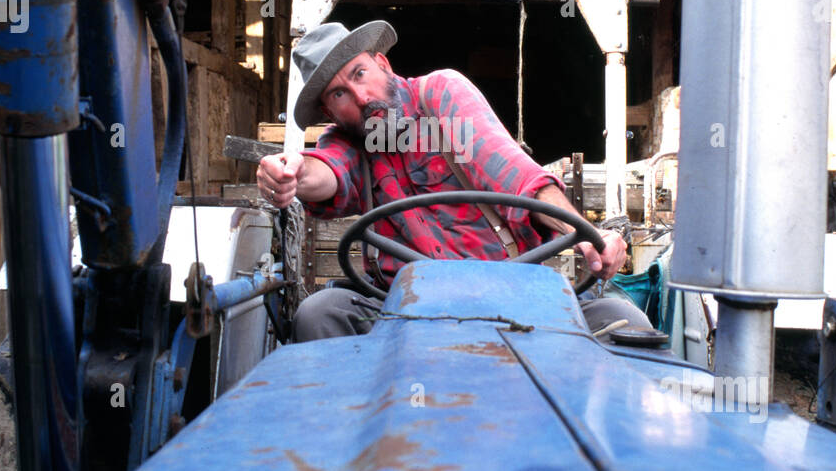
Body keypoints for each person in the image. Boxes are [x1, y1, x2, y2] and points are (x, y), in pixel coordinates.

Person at [256, 19, 654, 343]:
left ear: (383, 64)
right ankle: (356, 436)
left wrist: (583, 234)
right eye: (339, 94)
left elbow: (510, 169)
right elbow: (327, 173)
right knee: (319, 313)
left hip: (511, 298)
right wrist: (291, 173)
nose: (361, 98)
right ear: (329, 110)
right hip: (402, 310)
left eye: (360, 74)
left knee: (623, 321)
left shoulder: (441, 95)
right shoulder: (347, 140)